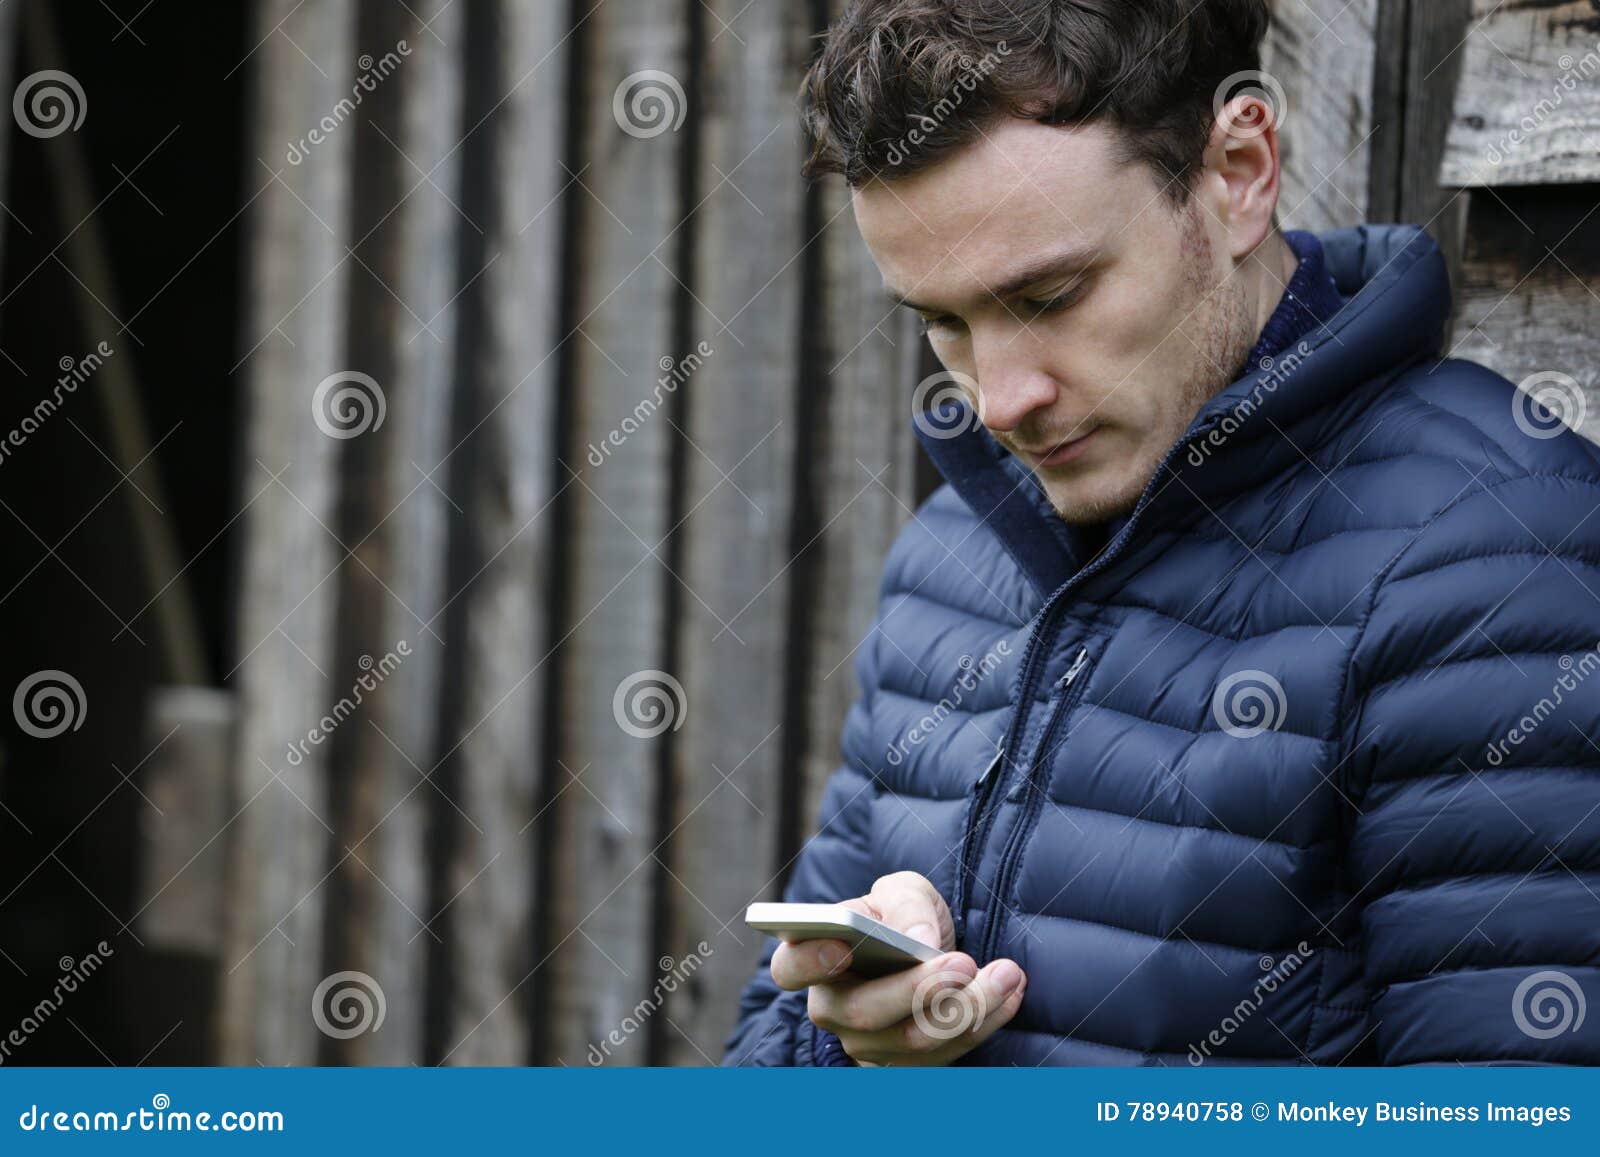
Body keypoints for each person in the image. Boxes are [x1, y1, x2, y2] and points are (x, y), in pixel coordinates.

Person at [723, 0, 1600, 1066]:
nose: (997, 400)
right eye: (943, 322)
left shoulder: (1505, 557)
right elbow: (758, 1066)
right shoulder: (954, 550)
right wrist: (858, 1048)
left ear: (1237, 170)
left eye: (1048, 295)